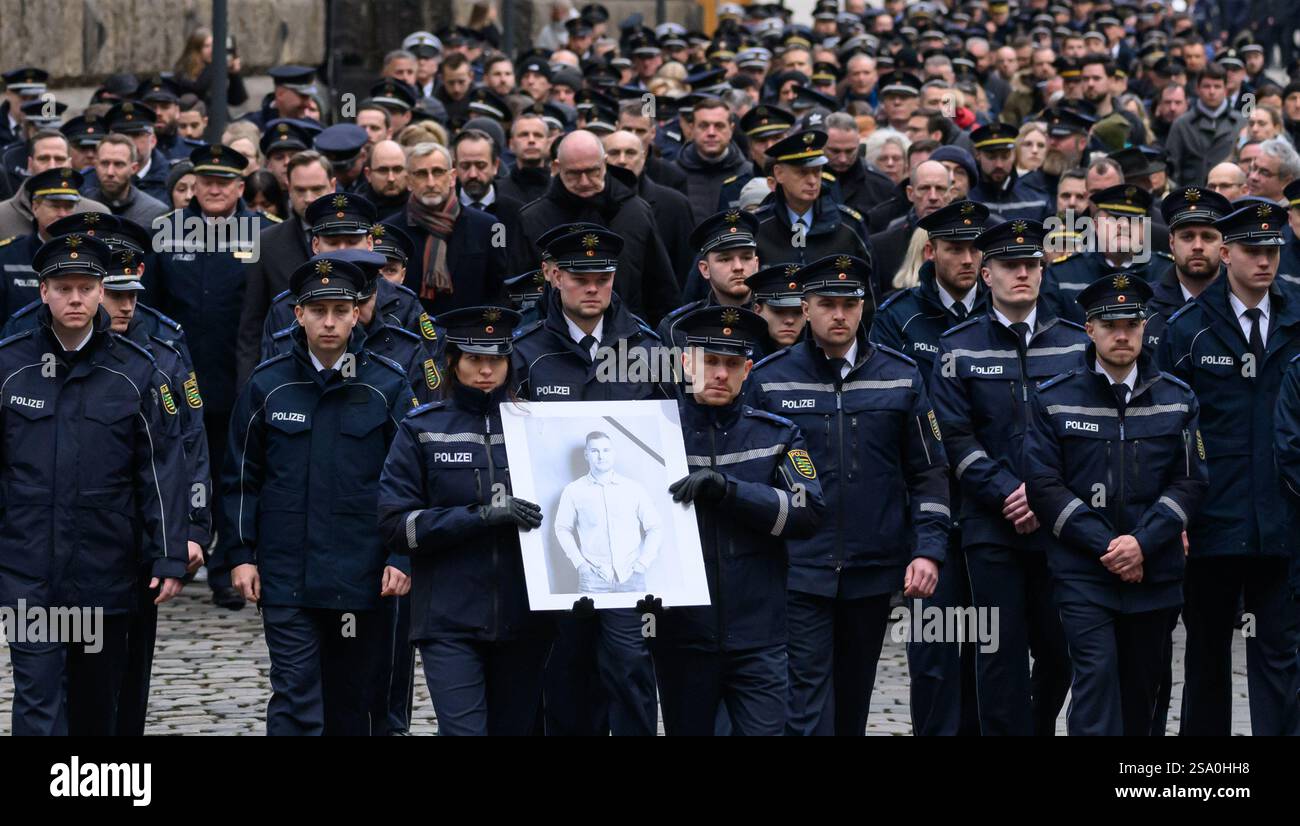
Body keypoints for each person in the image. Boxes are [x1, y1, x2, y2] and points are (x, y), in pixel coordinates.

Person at [751, 253, 949, 735]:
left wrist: (928, 550)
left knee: (855, 698)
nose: (840, 314)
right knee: (806, 702)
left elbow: (929, 472)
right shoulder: (770, 380)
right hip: (799, 566)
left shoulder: (900, 376)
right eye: (827, 303)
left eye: (850, 303)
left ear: (863, 307)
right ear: (805, 307)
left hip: (872, 565)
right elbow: (756, 478)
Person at [0, 232, 189, 735]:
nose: (76, 298)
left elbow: (162, 468)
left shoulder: (136, 372)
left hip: (105, 568)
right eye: (64, 287)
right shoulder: (9, 366)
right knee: (37, 699)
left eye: (87, 287)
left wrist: (168, 554)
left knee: (94, 704)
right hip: (28, 567)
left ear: (103, 290)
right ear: (43, 292)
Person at [222, 255, 412, 735]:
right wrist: (241, 555)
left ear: (357, 313)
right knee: (295, 693)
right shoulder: (268, 385)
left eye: (340, 310)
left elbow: (409, 482)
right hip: (288, 573)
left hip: (363, 574)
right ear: (298, 314)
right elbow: (241, 476)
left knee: (355, 699)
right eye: (318, 310)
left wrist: (401, 556)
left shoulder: (386, 385)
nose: (329, 322)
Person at [1026, 273, 1207, 735]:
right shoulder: (1055, 398)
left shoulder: (1177, 398)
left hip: (1155, 571)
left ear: (1145, 327)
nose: (1122, 334)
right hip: (1084, 571)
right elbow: (1045, 486)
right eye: (1110, 324)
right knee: (1096, 677)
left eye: (1131, 323)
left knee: (1143, 688)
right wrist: (1111, 547)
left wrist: (1142, 545)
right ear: (1089, 329)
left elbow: (1189, 482)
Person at [929, 218, 1088, 736]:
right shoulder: (958, 346)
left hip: (1059, 525)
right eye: (1009, 266)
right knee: (998, 656)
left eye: (1031, 265)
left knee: (1061, 649)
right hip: (989, 526)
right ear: (987, 274)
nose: (1022, 274)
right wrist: (1005, 493)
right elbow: (954, 437)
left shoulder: (1073, 343)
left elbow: (1084, 435)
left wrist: (1043, 497)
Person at [509, 225, 661, 737]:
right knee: (566, 672)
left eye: (604, 277)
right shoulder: (526, 351)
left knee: (631, 669)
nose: (593, 288)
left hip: (627, 553)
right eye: (580, 278)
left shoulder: (645, 345)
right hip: (554, 547)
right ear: (554, 277)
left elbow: (670, 434)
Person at [378, 305, 554, 735]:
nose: (486, 370)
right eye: (475, 359)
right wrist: (477, 518)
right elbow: (396, 525)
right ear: (453, 362)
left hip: (524, 616)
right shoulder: (422, 428)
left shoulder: (540, 425)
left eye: (496, 359)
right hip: (448, 617)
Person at [1158, 201, 1300, 736]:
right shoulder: (1187, 329)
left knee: (1278, 656)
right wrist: (1176, 515)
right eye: (1252, 251)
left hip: (1283, 515)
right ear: (1226, 254)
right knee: (1208, 654)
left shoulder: (1296, 316)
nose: (1264, 262)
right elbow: (1167, 425)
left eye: (1272, 252)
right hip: (1211, 517)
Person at [650, 305, 825, 735]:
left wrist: (731, 491)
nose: (720, 374)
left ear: (747, 369)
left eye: (731, 364)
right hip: (682, 634)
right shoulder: (653, 431)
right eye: (710, 362)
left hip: (759, 637)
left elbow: (808, 511)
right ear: (686, 362)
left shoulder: (776, 434)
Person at [870, 199, 991, 735]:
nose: (966, 259)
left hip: (994, 500)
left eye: (974, 248)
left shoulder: (1002, 308)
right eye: (954, 248)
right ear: (931, 251)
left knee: (996, 651)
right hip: (927, 501)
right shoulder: (899, 317)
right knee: (936, 652)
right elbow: (893, 410)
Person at [147, 144, 262, 610]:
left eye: (224, 181)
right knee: (175, 471)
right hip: (176, 376)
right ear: (192, 184)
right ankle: (177, 554)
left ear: (241, 186)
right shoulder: (163, 232)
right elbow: (149, 306)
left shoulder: (261, 234)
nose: (214, 189)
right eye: (206, 180)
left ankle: (225, 568)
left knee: (230, 474)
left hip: (236, 377)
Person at [510, 130, 680, 325]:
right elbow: (519, 294)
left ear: (605, 164)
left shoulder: (635, 211)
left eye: (592, 171)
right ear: (557, 167)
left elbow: (661, 288)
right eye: (574, 173)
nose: (584, 182)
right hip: (551, 339)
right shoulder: (532, 218)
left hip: (628, 335)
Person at [555, 432, 663, 594]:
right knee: (590, 620)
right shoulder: (573, 491)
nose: (601, 456)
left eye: (606, 450)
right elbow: (562, 528)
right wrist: (580, 565)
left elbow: (655, 527)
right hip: (592, 579)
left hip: (632, 577)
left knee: (635, 620)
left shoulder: (634, 489)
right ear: (586, 454)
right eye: (594, 451)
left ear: (613, 453)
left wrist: (643, 564)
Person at [754, 129, 870, 268]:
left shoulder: (848, 225)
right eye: (802, 172)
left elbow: (869, 283)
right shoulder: (757, 227)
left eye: (817, 171)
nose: (812, 180)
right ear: (779, 174)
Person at [80, 133, 169, 227]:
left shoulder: (154, 213)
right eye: (105, 163)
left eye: (119, 164)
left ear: (134, 168)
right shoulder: (81, 208)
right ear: (96, 165)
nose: (110, 172)